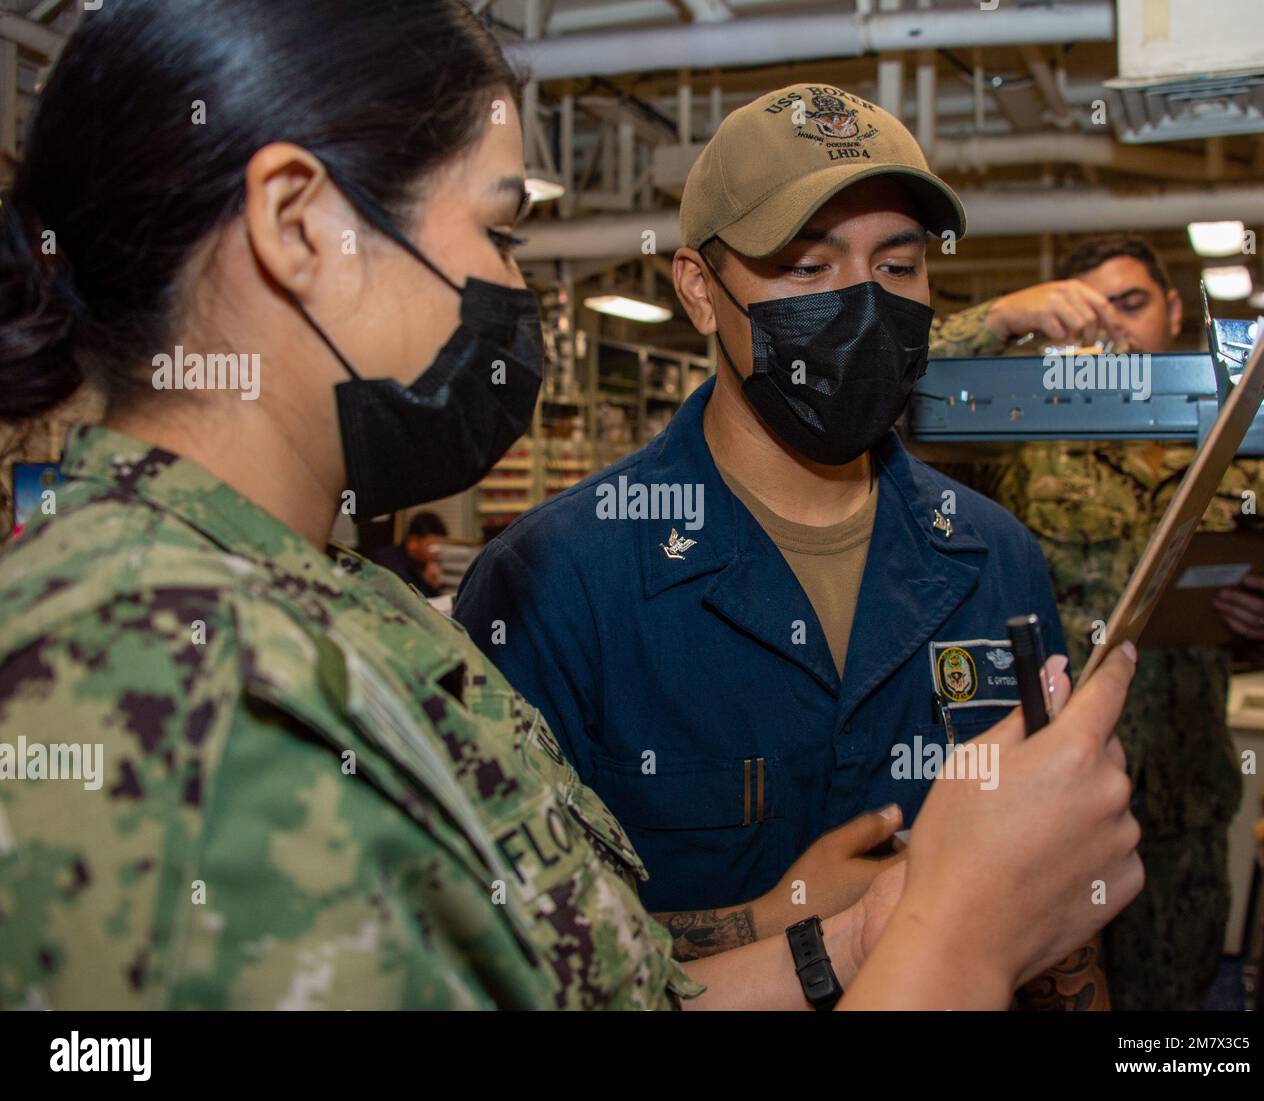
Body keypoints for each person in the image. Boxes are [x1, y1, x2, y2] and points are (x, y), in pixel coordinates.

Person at [0, 0, 1144, 1011]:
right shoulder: (170, 679)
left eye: (897, 263)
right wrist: (961, 932)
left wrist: (850, 935)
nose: (514, 286)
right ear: (299, 225)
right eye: (497, 230)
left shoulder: (344, 618)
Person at [928, 234, 1264, 1010]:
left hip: (1181, 809)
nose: (1112, 326)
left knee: (1169, 1028)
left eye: (1129, 303)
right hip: (1048, 804)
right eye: (1087, 308)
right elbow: (895, 392)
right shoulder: (1027, 434)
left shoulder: (1242, 443)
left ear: (1172, 310)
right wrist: (999, 319)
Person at [370, 511, 448, 598]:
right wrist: (427, 582)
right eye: (431, 547)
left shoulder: (422, 563)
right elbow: (410, 601)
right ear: (413, 543)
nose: (436, 553)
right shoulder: (390, 562)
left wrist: (433, 584)